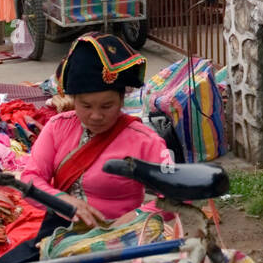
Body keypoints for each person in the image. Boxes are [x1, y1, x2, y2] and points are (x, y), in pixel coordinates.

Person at [21, 34, 170, 241]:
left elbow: (176, 196)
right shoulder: (57, 127)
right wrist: (63, 201)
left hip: (122, 236)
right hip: (61, 231)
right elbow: (30, 178)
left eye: (107, 106)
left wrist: (137, 217)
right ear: (72, 100)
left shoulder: (145, 140)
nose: (96, 116)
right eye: (86, 106)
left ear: (122, 98)